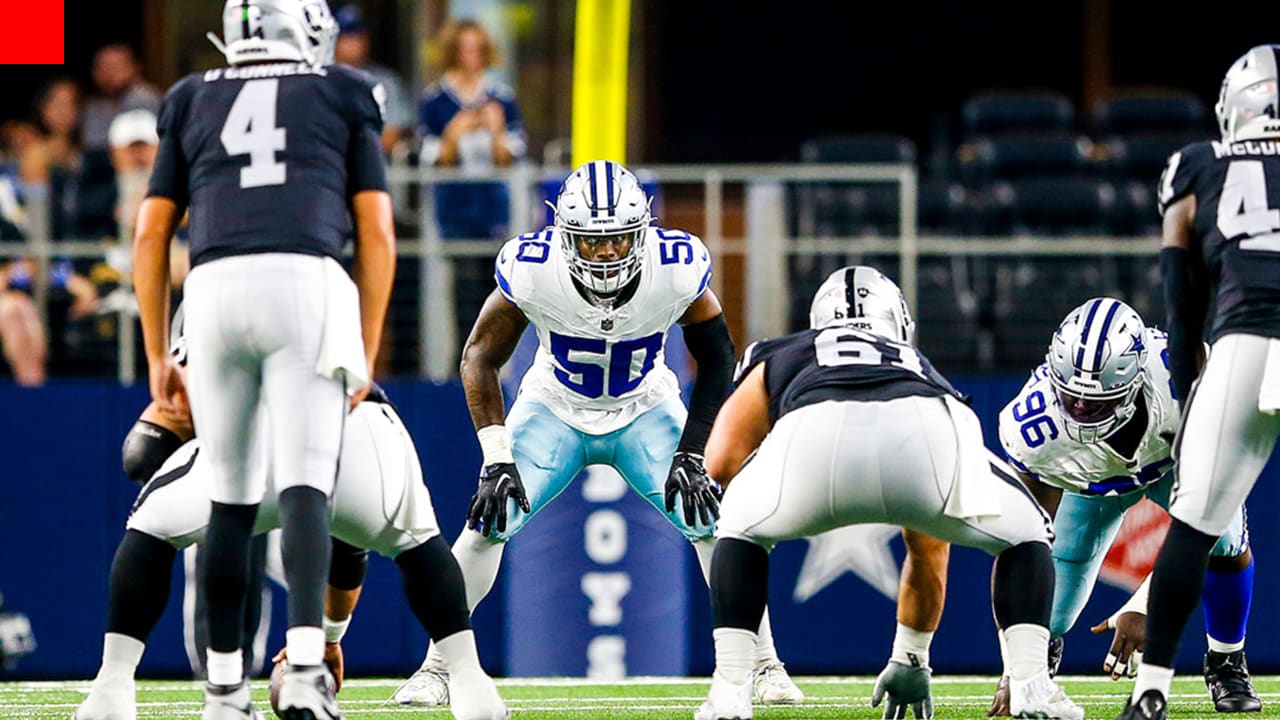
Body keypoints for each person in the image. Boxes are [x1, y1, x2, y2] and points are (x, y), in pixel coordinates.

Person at [394, 160, 803, 707]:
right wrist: (496, 457)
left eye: (617, 239)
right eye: (592, 241)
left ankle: (764, 664)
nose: (607, 252)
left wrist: (692, 451)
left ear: (642, 232)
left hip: (645, 407)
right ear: (565, 238)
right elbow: (478, 358)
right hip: (555, 407)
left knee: (717, 522)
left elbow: (716, 352)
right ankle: (438, 667)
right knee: (488, 518)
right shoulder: (533, 268)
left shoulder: (674, 266)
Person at [133, 1, 396, 717]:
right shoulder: (343, 89)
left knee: (230, 497)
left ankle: (223, 690)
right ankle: (306, 669)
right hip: (303, 279)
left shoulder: (190, 96)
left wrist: (159, 349)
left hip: (213, 287)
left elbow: (152, 233)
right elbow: (375, 226)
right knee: (307, 486)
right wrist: (366, 346)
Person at [695, 266, 1083, 720]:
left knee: (736, 524)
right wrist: (911, 655)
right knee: (1027, 531)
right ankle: (1032, 684)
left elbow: (719, 462)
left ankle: (732, 689)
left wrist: (759, 491)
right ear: (898, 324)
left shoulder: (781, 350)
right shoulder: (915, 362)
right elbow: (928, 543)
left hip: (813, 432)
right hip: (926, 423)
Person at [72, 384, 508, 720]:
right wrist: (330, 639)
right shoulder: (330, 285)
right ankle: (471, 684)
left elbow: (146, 446)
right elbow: (347, 552)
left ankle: (126, 686)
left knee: (150, 525)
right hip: (359, 431)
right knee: (416, 541)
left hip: (257, 440)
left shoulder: (215, 290)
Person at [985, 298, 1258, 714]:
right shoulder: (1036, 427)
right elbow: (1023, 543)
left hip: (1172, 463)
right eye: (1069, 397)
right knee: (1051, 609)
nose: (1078, 410)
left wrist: (1145, 603)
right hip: (1085, 483)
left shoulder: (1187, 381)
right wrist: (1021, 668)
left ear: (1132, 384)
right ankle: (1038, 665)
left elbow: (1204, 518)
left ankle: (1226, 660)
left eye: (1094, 403)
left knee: (1225, 537)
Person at [1116, 45, 1280, 720]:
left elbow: (1180, 303)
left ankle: (1152, 690)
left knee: (1194, 524)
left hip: (1244, 338)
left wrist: (1185, 392)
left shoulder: (1197, 164)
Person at [419, 19, 528, 355]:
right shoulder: (436, 99)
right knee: (463, 296)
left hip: (493, 210)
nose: (471, 57)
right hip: (455, 213)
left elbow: (510, 158)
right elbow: (435, 161)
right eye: (465, 49)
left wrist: (495, 131)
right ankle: (463, 365)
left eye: (477, 49)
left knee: (493, 295)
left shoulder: (501, 97)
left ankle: (490, 364)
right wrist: (454, 133)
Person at [333, 4, 414, 153]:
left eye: (359, 36)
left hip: (377, 167)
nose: (355, 43)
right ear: (334, 41)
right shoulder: (319, 80)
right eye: (348, 37)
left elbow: (391, 136)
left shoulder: (386, 81)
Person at [80, 44, 161, 152]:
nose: (109, 74)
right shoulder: (92, 107)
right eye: (102, 67)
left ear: (134, 69)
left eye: (116, 67)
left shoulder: (146, 100)